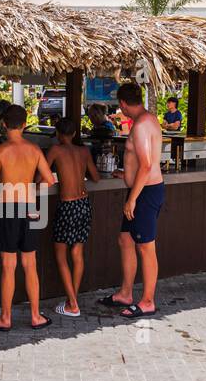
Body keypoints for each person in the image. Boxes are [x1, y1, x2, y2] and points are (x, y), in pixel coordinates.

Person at [0, 104, 55, 331]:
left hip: (7, 208)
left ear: (3, 124)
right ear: (25, 124)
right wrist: (32, 189)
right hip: (31, 207)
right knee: (30, 263)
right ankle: (36, 316)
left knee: (8, 265)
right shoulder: (35, 150)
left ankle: (5, 318)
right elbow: (50, 180)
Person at [99, 83, 164, 318]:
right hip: (140, 189)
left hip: (145, 193)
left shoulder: (142, 125)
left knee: (145, 246)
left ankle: (148, 301)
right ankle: (126, 293)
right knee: (125, 239)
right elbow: (139, 162)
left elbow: (147, 165)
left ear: (123, 104)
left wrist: (132, 199)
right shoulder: (147, 119)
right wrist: (125, 174)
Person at [46, 118, 100, 318]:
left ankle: (73, 305)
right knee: (77, 254)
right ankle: (71, 300)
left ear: (58, 134)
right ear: (75, 133)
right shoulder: (84, 151)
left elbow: (40, 177)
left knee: (61, 256)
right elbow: (95, 177)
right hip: (83, 204)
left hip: (67, 205)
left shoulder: (55, 150)